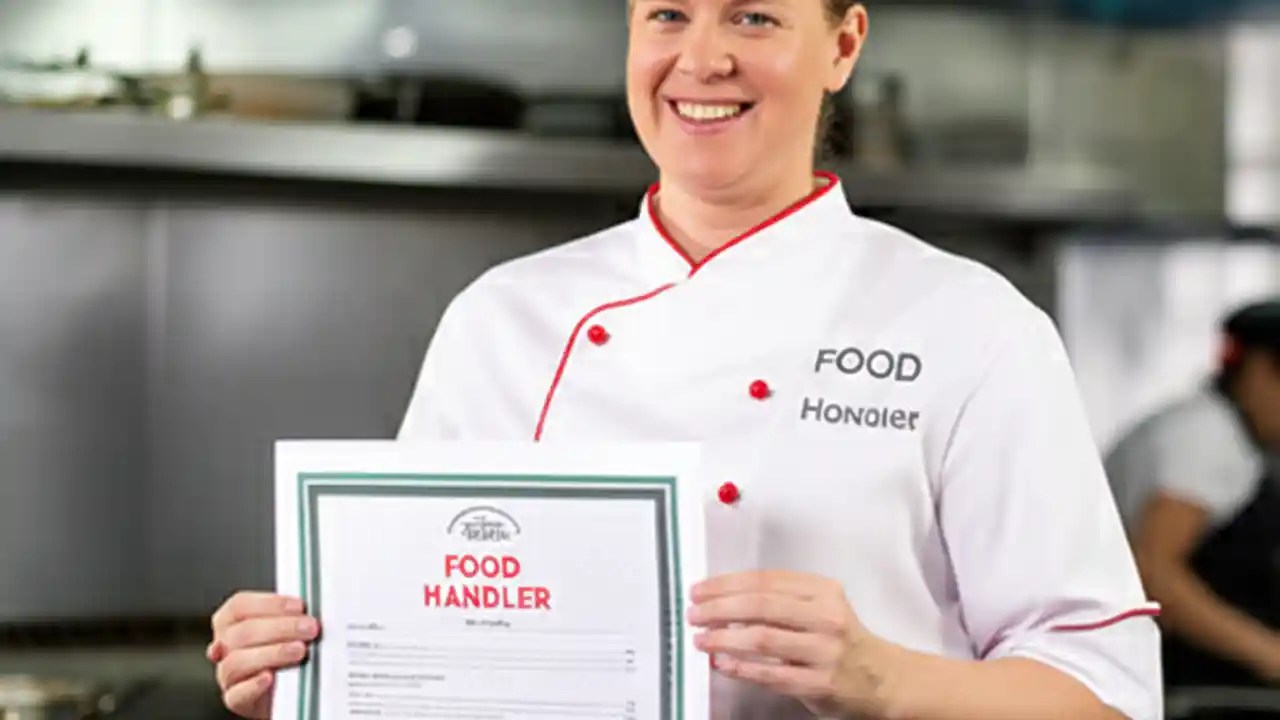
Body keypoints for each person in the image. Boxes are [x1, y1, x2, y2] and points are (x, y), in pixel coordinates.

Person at [206, 1, 1162, 717]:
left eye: (753, 16)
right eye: (667, 14)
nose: (702, 59)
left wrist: (883, 677)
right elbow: (434, 663)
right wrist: (307, 678)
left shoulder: (969, 325)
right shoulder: (502, 318)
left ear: (842, 45)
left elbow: (1108, 697)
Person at [1106, 299, 1280, 690]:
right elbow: (1154, 572)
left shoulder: (1240, 441)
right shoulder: (1203, 437)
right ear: (1257, 371)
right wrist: (1269, 653)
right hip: (1171, 681)